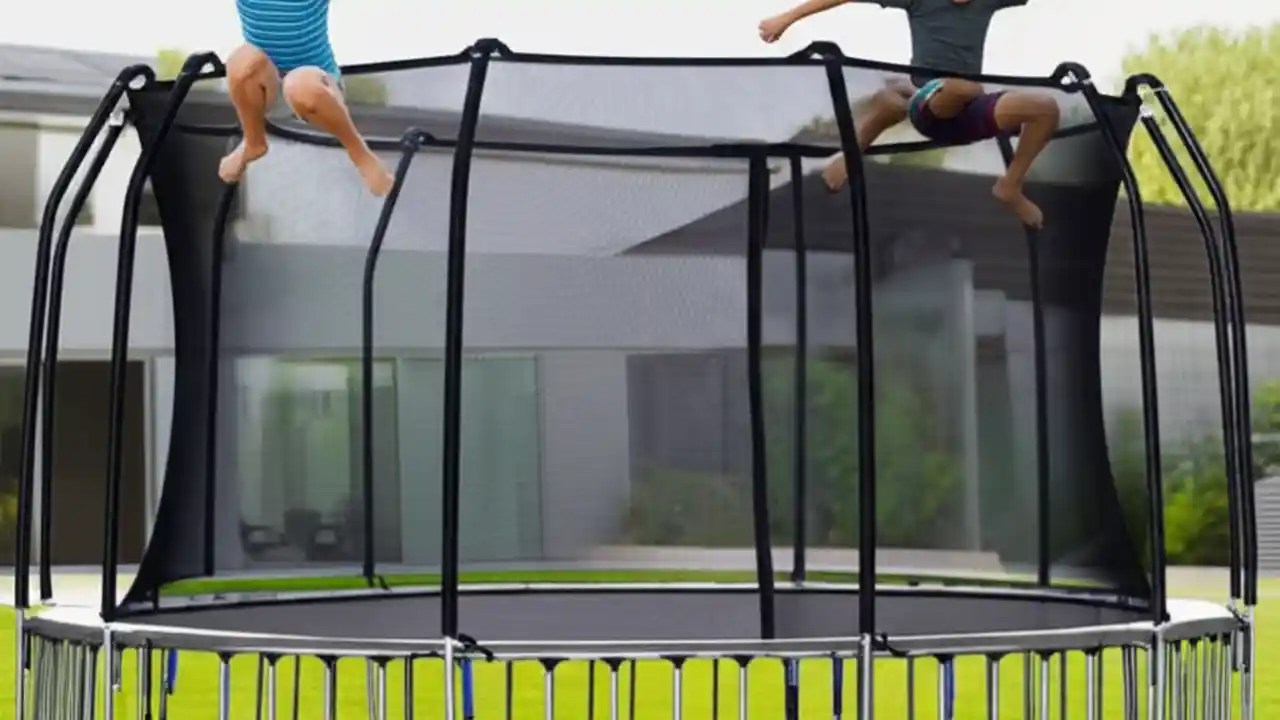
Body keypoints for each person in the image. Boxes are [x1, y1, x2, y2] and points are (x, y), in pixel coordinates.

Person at [759, 0, 1059, 229]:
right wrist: (785, 19)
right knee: (954, 89)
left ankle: (1010, 185)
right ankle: (851, 153)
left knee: (1045, 108)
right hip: (930, 107)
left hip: (970, 114)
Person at [219, 0, 395, 196]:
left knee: (300, 84)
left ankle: (361, 156)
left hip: (317, 88)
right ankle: (253, 142)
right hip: (266, 88)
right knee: (241, 60)